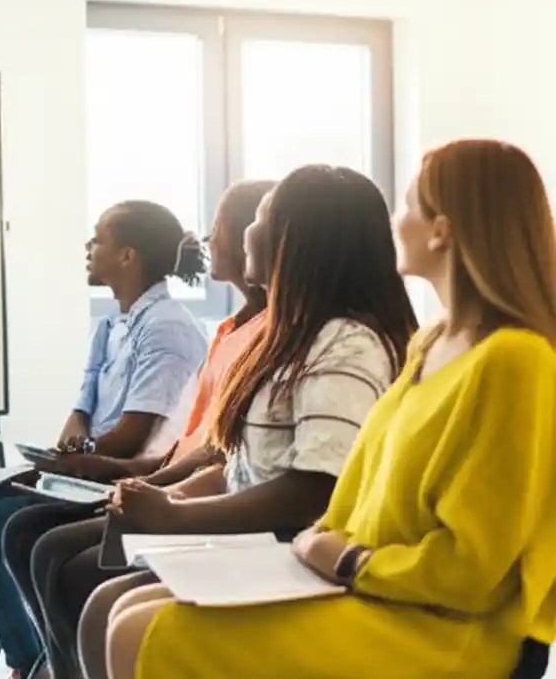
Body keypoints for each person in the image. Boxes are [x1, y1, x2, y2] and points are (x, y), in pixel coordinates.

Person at [108, 140, 556, 678]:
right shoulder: (430, 344)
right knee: (129, 610)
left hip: (441, 625)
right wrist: (318, 551)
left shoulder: (515, 360)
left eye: (410, 204)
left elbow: (473, 570)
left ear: (442, 230)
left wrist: (346, 560)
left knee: (149, 630)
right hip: (374, 587)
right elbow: (359, 497)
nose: (396, 220)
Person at [79, 164, 420, 679]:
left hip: (289, 548)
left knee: (117, 612)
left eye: (260, 219)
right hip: (260, 537)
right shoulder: (296, 338)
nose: (243, 236)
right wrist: (168, 499)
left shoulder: (346, 344)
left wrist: (176, 516)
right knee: (104, 602)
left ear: (293, 242)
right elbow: (239, 460)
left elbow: (313, 489)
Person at [0, 201, 209, 679]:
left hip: (119, 483)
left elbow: (132, 438)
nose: (89, 247)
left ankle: (28, 664)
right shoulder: (109, 326)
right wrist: (68, 454)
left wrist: (77, 459)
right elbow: (78, 416)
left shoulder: (166, 326)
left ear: (127, 256)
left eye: (98, 239)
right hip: (81, 472)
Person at [1, 178, 274, 679]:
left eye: (219, 230)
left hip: (200, 496)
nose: (206, 242)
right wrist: (128, 471)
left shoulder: (256, 336)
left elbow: (218, 455)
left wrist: (131, 475)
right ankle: (51, 665)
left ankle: (51, 666)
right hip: (172, 479)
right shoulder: (228, 331)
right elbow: (198, 443)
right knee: (23, 533)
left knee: (48, 549)